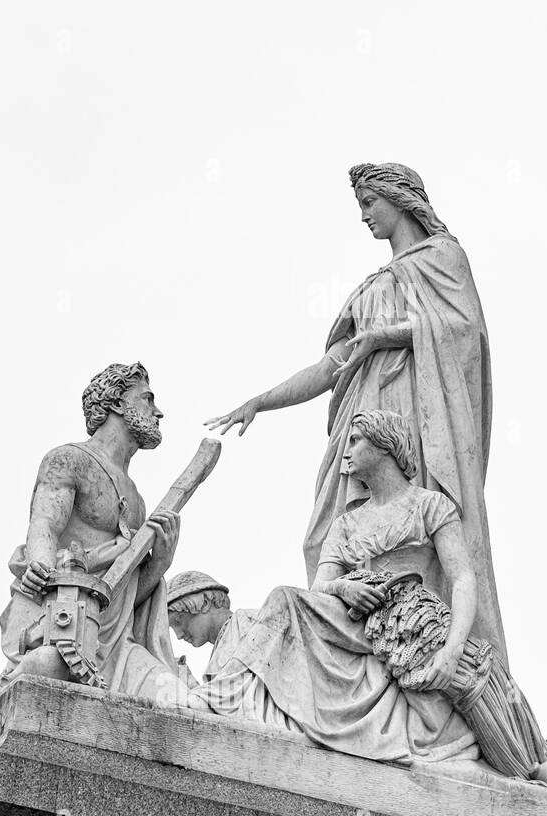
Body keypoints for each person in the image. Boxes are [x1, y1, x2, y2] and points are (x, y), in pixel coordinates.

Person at [204, 163, 505, 662]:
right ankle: (344, 657)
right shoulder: (369, 287)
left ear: (399, 199)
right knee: (323, 538)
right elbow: (330, 367)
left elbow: (463, 332)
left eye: (370, 203)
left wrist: (386, 337)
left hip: (413, 415)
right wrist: (261, 400)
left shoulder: (444, 257)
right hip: (359, 420)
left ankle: (426, 643)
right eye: (360, 206)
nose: (364, 216)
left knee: (417, 531)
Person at [179, 412, 547, 789]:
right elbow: (320, 588)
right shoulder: (346, 524)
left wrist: (453, 647)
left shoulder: (430, 505)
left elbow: (463, 577)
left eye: (354, 441)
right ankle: (224, 693)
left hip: (415, 620)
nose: (345, 452)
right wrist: (345, 589)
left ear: (385, 445)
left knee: (472, 680)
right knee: (283, 598)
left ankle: (525, 764)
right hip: (359, 618)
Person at [0, 363, 190, 773]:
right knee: (42, 673)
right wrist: (40, 562)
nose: (158, 411)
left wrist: (161, 559)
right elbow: (44, 525)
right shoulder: (69, 460)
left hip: (114, 646)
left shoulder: (138, 501)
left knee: (177, 706)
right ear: (115, 404)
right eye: (148, 398)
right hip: (65, 628)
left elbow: (123, 595)